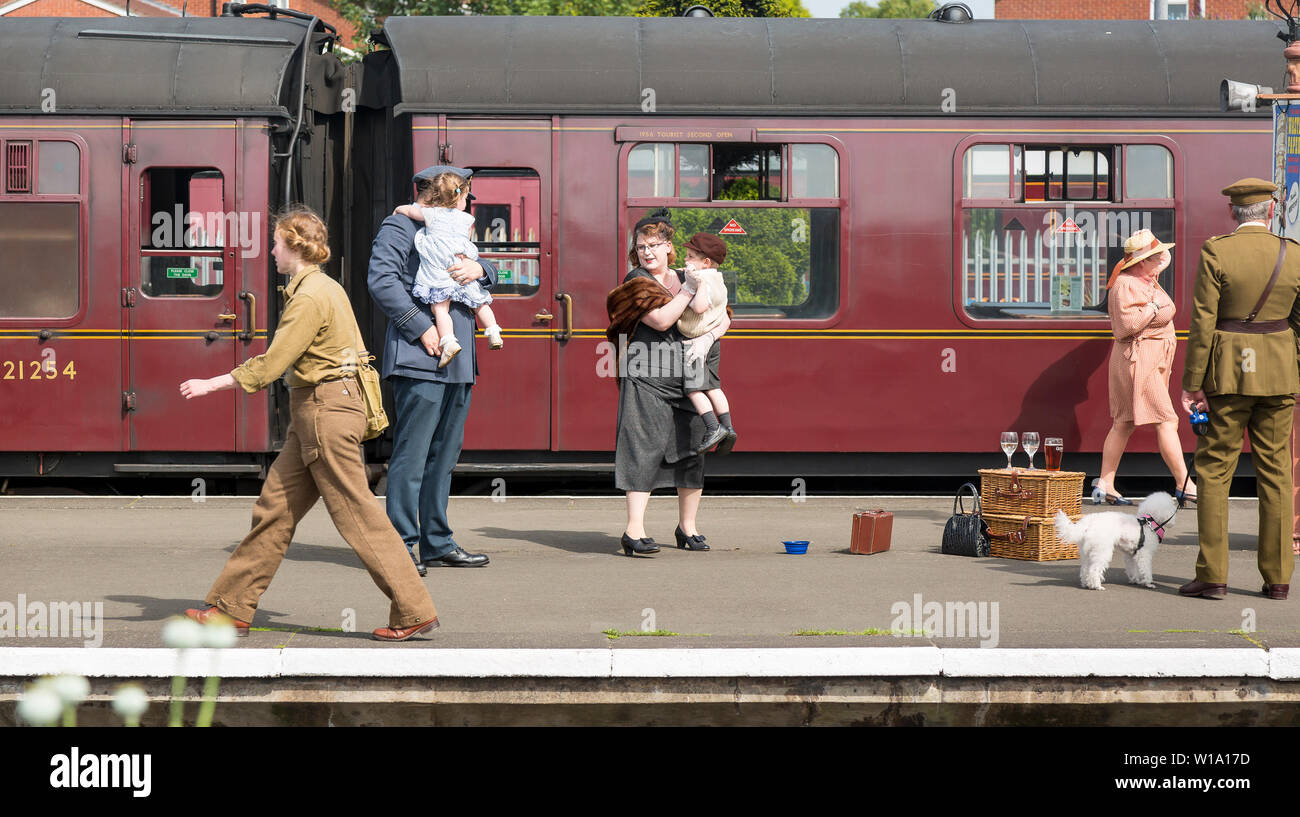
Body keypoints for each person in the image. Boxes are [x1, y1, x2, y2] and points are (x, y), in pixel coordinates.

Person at [178, 207, 439, 641]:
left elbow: (274, 362)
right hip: (317, 413)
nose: (273, 251)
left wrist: (213, 384)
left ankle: (413, 609)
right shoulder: (324, 288)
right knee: (275, 509)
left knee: (356, 513)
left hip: (325, 412)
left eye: (278, 243)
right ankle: (231, 608)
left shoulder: (310, 297)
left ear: (295, 247)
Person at [368, 165, 496, 576]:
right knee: (413, 452)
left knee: (443, 455)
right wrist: (421, 328)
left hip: (458, 358)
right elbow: (382, 280)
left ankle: (436, 542)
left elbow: (478, 267)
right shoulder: (399, 224)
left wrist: (483, 271)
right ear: (451, 195)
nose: (467, 202)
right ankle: (400, 546)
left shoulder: (456, 227)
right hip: (419, 355)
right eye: (465, 194)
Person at [1179, 177, 1300, 602]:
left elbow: (1203, 324)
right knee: (1276, 474)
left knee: (1214, 472)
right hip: (1279, 376)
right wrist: (1290, 364)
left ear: (1233, 211)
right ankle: (1278, 579)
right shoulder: (1294, 255)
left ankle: (1213, 576)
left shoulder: (1217, 251)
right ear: (1270, 211)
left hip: (1227, 376)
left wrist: (1193, 384)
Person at [605, 210, 728, 555]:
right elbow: (660, 321)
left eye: (654, 245)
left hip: (689, 378)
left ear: (669, 246)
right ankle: (634, 531)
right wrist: (690, 288)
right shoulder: (638, 280)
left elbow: (723, 314)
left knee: (693, 450)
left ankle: (687, 528)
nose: (647, 251)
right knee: (642, 449)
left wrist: (709, 338)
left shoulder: (685, 274)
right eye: (641, 245)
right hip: (647, 378)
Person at [1093, 228, 1196, 506]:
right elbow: (1127, 326)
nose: (1161, 260)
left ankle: (1105, 483)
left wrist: (1157, 264)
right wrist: (1152, 308)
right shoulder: (1128, 285)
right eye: (1154, 258)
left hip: (1143, 359)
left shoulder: (1144, 279)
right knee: (1167, 419)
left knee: (1124, 423)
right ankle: (1184, 483)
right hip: (1139, 361)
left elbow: (1162, 262)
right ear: (1141, 262)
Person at [393, 171, 503, 368]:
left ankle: (449, 341)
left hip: (441, 278)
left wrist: (479, 268)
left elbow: (409, 210)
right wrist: (421, 327)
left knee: (440, 308)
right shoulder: (465, 219)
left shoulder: (430, 216)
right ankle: (493, 330)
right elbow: (383, 281)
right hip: (422, 361)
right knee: (480, 302)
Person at [678, 232, 737, 456]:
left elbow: (700, 307)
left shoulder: (705, 280)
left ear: (705, 262)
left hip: (695, 343)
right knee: (713, 386)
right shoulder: (719, 279)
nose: (685, 260)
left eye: (691, 257)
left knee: (693, 390)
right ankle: (728, 426)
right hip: (712, 342)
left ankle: (712, 427)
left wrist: (695, 286)